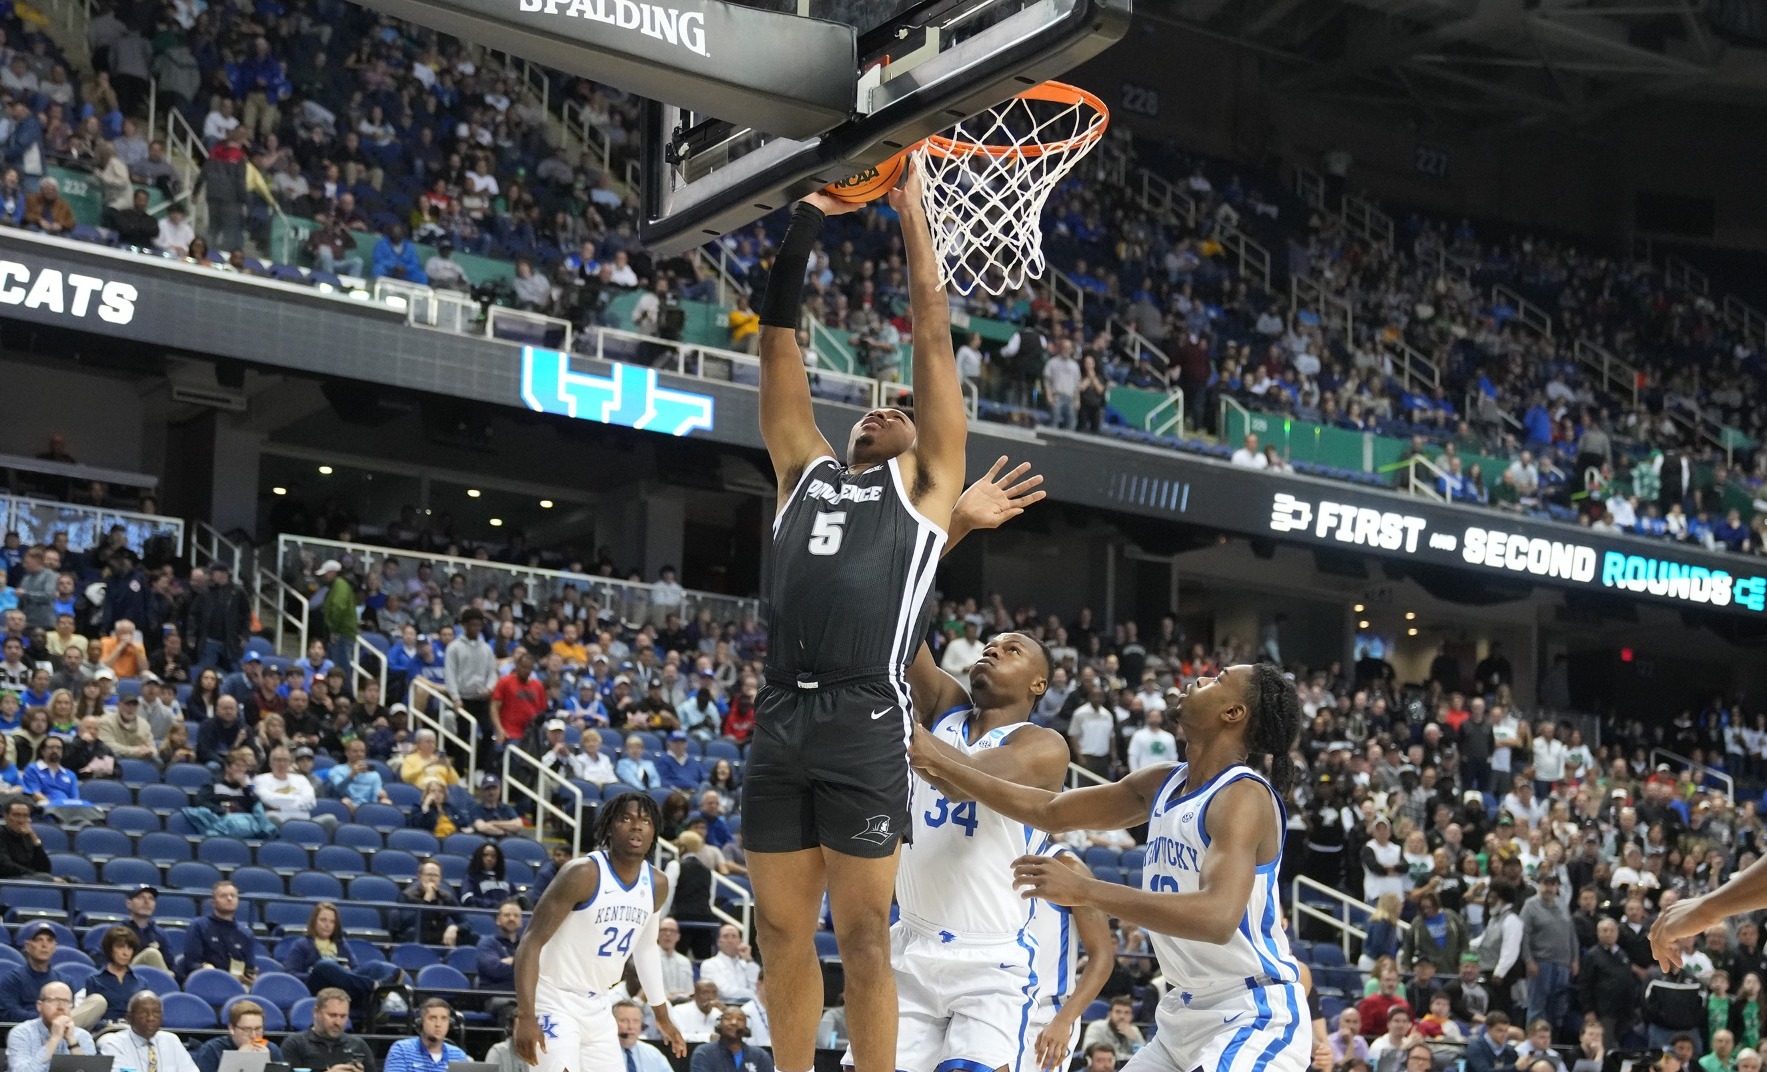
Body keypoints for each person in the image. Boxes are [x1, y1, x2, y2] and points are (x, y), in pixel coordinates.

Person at [748, 167, 969, 1072]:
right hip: (781, 715)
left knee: (867, 937)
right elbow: (774, 346)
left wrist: (912, 212)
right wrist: (805, 220)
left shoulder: (924, 490)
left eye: (902, 411)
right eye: (872, 406)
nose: (884, 407)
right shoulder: (801, 469)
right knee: (777, 933)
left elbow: (933, 337)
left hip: (863, 716)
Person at [908, 661, 1308, 1072]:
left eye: (1218, 679)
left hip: (1251, 1013)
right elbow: (1047, 810)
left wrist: (1085, 890)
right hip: (1182, 1016)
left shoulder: (1243, 796)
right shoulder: (1163, 783)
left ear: (1233, 713)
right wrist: (941, 763)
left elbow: (1217, 918)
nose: (1201, 679)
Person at [872, 627, 1077, 1072]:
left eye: (1011, 649)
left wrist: (900, 731)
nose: (993, 651)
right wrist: (905, 562)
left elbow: (961, 780)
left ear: (1038, 684)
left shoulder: (1042, 745)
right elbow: (901, 630)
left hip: (989, 959)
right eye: (989, 646)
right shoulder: (946, 707)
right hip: (911, 940)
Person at [510, 793, 686, 1072]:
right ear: (609, 827)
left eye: (645, 821)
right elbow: (530, 943)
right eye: (626, 819)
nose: (637, 826)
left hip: (601, 1004)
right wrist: (526, 1014)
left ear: (655, 832)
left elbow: (646, 949)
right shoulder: (582, 873)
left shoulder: (657, 884)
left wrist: (661, 1013)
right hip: (554, 997)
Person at [281, 902, 401, 1012]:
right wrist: (313, 972)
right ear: (314, 922)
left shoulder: (341, 944)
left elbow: (355, 970)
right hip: (318, 988)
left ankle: (375, 1004)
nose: (327, 925)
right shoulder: (301, 944)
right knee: (324, 965)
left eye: (332, 922)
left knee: (374, 966)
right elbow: (291, 974)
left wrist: (345, 971)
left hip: (344, 988)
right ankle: (377, 988)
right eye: (323, 920)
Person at [2, 922, 104, 1027]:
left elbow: (72, 1009)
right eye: (38, 940)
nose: (44, 945)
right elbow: (10, 1013)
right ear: (27, 946)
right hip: (30, 1030)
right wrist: (48, 1018)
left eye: (49, 940)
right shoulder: (12, 979)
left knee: (98, 1001)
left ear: (54, 947)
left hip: (65, 1031)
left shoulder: (64, 981)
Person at [280, 987, 378, 1072]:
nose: (338, 1022)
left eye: (343, 1016)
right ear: (316, 1012)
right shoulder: (295, 1044)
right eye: (332, 1015)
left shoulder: (358, 1045)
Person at [5, 982, 97, 1072]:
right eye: (54, 1000)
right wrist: (54, 1038)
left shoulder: (83, 1035)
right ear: (39, 1006)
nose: (61, 1007)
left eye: (66, 1001)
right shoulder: (21, 1033)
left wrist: (72, 1041)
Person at [97, 992, 199, 1072]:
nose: (151, 1018)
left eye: (156, 1013)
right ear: (129, 1018)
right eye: (143, 1013)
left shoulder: (171, 1040)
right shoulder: (114, 1044)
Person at [181, 881, 258, 983]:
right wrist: (204, 966)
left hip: (236, 984)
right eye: (223, 896)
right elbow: (191, 962)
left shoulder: (246, 934)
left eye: (233, 896)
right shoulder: (199, 926)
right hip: (204, 980)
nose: (229, 899)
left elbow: (249, 968)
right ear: (213, 901)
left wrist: (251, 977)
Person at [191, 999, 283, 1072]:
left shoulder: (272, 1050)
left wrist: (270, 1067)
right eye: (247, 1029)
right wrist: (239, 1060)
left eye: (258, 1029)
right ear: (232, 1028)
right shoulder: (211, 1050)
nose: (254, 1035)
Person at [81, 926, 147, 1026]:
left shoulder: (141, 982)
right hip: (105, 1031)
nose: (126, 953)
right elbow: (91, 1017)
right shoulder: (94, 980)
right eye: (120, 947)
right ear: (110, 949)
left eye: (130, 948)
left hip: (134, 1031)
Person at [393, 860, 465, 947]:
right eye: (428, 875)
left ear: (440, 879)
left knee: (471, 936)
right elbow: (410, 923)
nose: (432, 879)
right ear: (419, 877)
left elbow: (466, 923)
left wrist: (454, 927)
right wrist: (427, 899)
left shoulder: (446, 896)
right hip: (419, 936)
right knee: (412, 932)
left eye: (435, 875)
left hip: (441, 937)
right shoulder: (407, 896)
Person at [383, 998, 467, 1072]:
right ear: (420, 1022)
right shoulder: (402, 1050)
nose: (438, 1024)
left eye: (444, 1019)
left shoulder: (458, 1056)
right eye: (432, 1018)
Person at [689, 1007, 775, 1072]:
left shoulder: (760, 1056)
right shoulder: (704, 1053)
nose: (734, 1022)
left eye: (740, 1019)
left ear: (746, 1027)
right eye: (728, 1018)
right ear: (719, 1024)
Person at [0, 798, 56, 880]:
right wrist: (34, 874)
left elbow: (45, 869)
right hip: (8, 881)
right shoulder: (1, 834)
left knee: (72, 880)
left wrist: (35, 839)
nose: (21, 820)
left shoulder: (28, 836)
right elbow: (4, 866)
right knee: (46, 878)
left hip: (29, 877)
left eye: (25, 816)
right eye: (16, 815)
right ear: (6, 817)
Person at [612, 999, 674, 1072]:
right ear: (612, 1023)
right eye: (624, 1021)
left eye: (636, 1021)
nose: (631, 1027)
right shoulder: (601, 1053)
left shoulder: (653, 1054)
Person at [476, 900, 523, 988]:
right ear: (498, 920)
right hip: (498, 994)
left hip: (523, 994)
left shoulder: (526, 945)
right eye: (507, 915)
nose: (512, 918)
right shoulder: (487, 943)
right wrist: (521, 963)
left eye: (516, 916)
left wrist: (510, 961)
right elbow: (494, 971)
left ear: (521, 922)